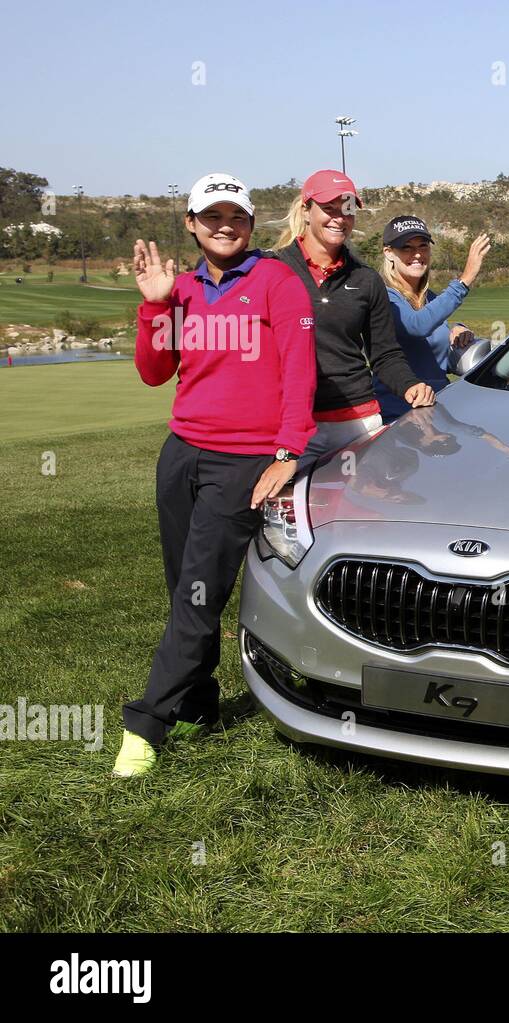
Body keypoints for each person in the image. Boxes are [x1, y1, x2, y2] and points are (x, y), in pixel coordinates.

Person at [113, 173, 317, 777]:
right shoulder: (178, 290)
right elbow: (154, 372)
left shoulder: (277, 281)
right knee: (185, 587)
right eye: (211, 216)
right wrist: (154, 306)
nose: (224, 225)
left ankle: (146, 722)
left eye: (236, 215)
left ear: (251, 224)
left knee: (201, 591)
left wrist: (286, 452)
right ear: (191, 224)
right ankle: (199, 701)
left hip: (245, 461)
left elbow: (300, 371)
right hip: (182, 454)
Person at [269, 170, 434, 471]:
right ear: (306, 211)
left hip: (358, 419)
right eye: (328, 208)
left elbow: (384, 354)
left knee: (366, 509)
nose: (339, 218)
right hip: (292, 423)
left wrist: (409, 385)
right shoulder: (272, 268)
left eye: (347, 209)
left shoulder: (366, 279)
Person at [376, 215, 491, 423]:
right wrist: (464, 280)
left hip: (436, 412)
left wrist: (456, 334)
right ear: (389, 253)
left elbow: (434, 355)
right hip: (397, 416)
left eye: (423, 246)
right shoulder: (383, 296)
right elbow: (416, 326)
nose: (418, 254)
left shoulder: (431, 299)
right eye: (407, 247)